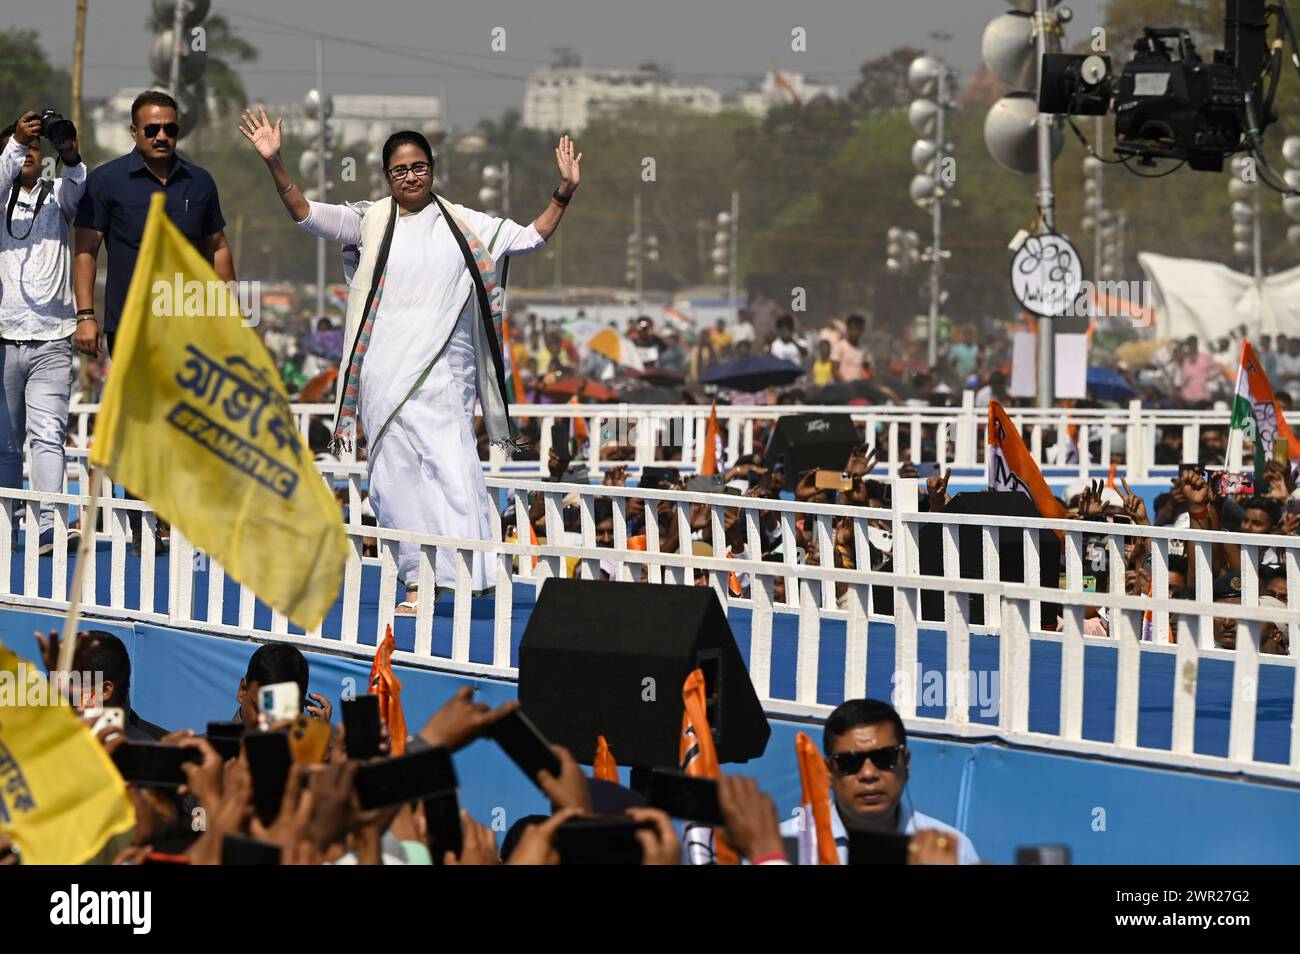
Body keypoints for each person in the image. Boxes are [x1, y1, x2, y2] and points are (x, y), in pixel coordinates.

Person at [240, 108, 576, 612]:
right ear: (387, 176)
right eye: (400, 169)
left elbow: (529, 236)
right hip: (382, 375)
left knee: (452, 469)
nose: (411, 176)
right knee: (392, 478)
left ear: (432, 168)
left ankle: (463, 573)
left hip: (446, 375)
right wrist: (275, 162)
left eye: (419, 166)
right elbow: (305, 213)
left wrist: (564, 190)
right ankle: (418, 579)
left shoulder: (465, 223)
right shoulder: (368, 220)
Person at [73, 90, 234, 555]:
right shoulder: (105, 182)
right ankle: (145, 521)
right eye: (152, 129)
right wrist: (85, 315)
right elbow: (85, 249)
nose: (162, 136)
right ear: (134, 132)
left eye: (170, 129)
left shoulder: (200, 182)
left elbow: (218, 246)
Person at [0, 113, 85, 554]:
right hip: (3, 340)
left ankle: (52, 525)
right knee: (6, 447)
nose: (31, 150)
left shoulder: (57, 198)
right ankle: (6, 528)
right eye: (21, 147)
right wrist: (15, 140)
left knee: (48, 435)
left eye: (37, 146)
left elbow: (77, 184)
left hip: (53, 338)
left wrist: (67, 149)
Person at [778, 697, 979, 864]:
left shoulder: (952, 851)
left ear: (905, 762)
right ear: (828, 771)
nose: (868, 774)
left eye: (884, 758)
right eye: (850, 762)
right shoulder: (787, 847)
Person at [235, 642, 332, 729]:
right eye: (260, 711)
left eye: (279, 718)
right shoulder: (221, 748)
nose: (265, 728)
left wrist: (321, 743)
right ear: (243, 691)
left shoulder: (315, 746)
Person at [831, 314, 868, 382]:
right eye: (853, 329)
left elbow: (866, 369)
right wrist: (846, 387)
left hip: (858, 387)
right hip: (841, 387)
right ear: (848, 329)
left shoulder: (864, 349)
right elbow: (834, 370)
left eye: (859, 329)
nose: (855, 333)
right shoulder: (839, 346)